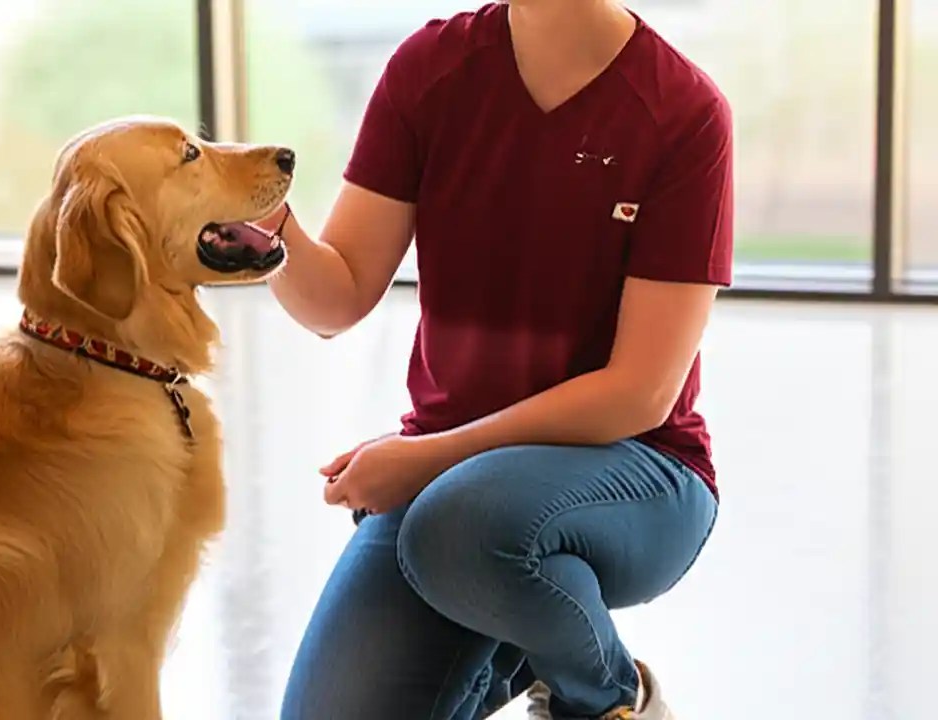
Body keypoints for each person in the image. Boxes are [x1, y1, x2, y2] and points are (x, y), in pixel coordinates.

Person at [254, 1, 732, 718]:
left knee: (464, 527)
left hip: (638, 470)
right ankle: (526, 627)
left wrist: (425, 458)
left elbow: (638, 395)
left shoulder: (684, 111)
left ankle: (608, 696)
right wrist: (271, 231)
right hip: (450, 495)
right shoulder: (430, 71)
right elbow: (339, 295)